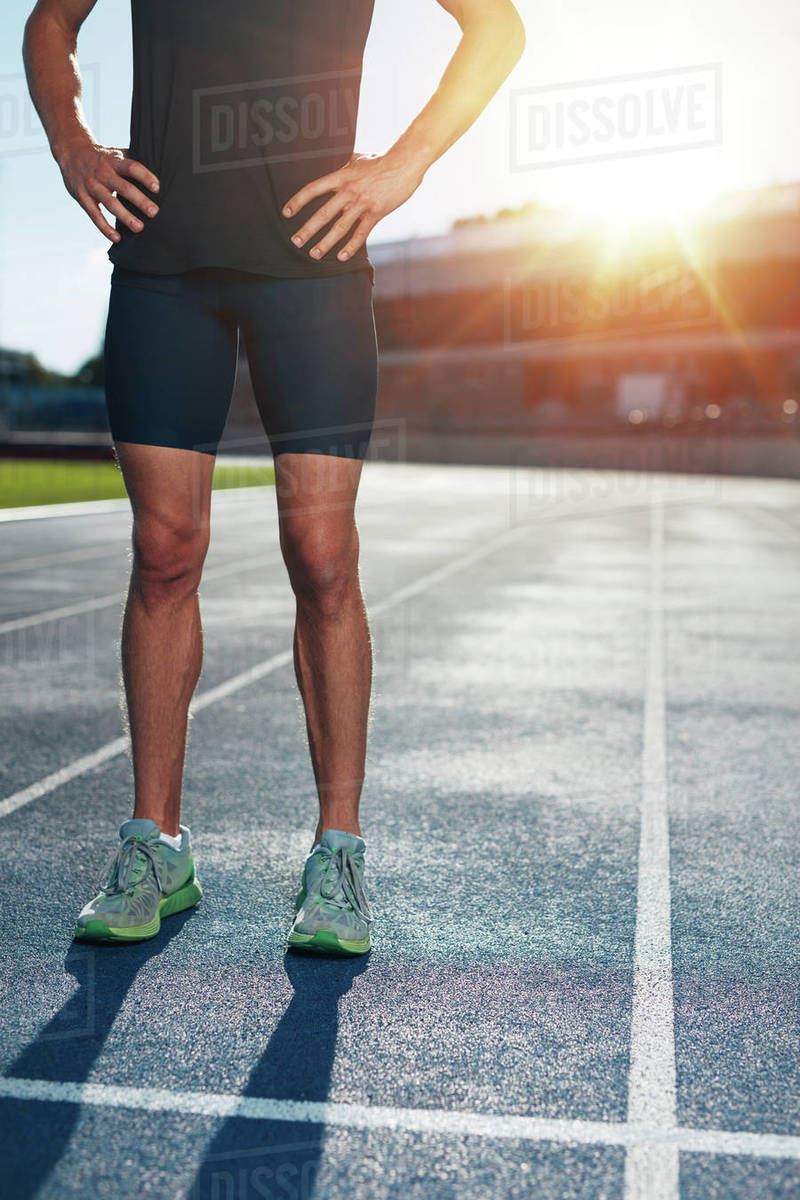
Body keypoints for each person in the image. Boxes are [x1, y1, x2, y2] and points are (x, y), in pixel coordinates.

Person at [23, 0, 525, 955]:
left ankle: (337, 853)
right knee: (163, 550)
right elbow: (52, 18)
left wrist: (404, 163)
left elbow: (496, 25)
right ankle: (155, 846)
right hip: (166, 262)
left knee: (323, 555)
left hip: (315, 264)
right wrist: (73, 144)